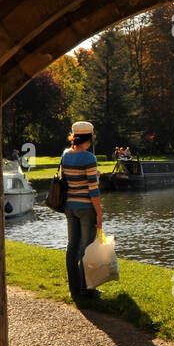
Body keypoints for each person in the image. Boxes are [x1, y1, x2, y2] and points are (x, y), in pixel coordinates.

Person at [61, 121, 103, 301]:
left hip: (70, 207)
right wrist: (99, 213)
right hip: (86, 208)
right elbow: (93, 190)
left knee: (72, 248)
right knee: (87, 248)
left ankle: (74, 289)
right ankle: (87, 289)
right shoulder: (89, 158)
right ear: (90, 138)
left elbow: (68, 180)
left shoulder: (65, 155)